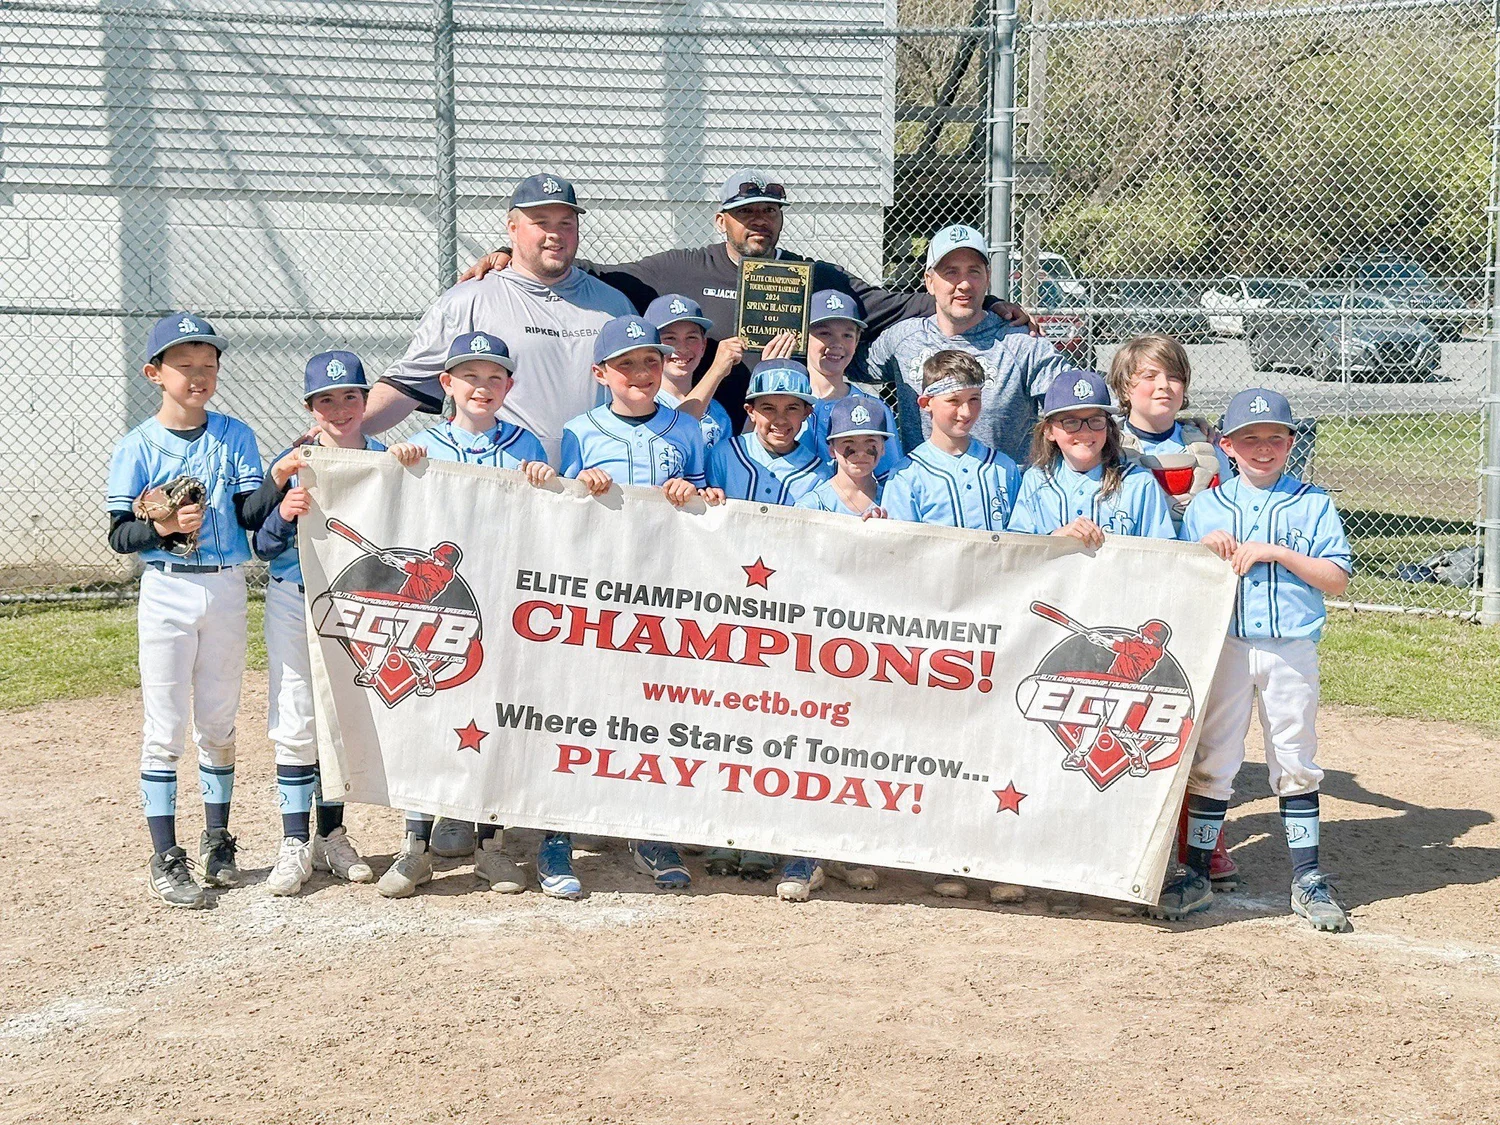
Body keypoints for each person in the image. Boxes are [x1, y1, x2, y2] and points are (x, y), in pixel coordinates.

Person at [458, 170, 1036, 414]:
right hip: (700, 416)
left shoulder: (815, 277)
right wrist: (511, 258)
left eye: (768, 213)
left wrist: (990, 305)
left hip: (781, 422)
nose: (758, 222)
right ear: (721, 221)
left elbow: (898, 301)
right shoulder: (680, 268)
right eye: (744, 214)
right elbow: (599, 275)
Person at [1162, 388, 1353, 931]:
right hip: (1225, 645)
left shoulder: (1312, 502)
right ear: (1226, 445)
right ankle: (1195, 871)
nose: (1263, 448)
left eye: (1275, 437)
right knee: (1215, 758)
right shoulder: (1206, 507)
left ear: (1292, 442)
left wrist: (1279, 553)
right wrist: (1201, 549)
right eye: (1249, 439)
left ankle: (1308, 876)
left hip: (1290, 646)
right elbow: (1180, 577)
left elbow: (1336, 579)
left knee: (1294, 758)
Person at [376, 332, 555, 899]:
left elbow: (546, 527)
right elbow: (390, 516)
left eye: (494, 377)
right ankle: (415, 846)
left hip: (498, 604)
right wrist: (396, 467)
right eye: (469, 377)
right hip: (435, 612)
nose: (482, 387)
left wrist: (545, 488)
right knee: (425, 714)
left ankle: (490, 845)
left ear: (509, 386)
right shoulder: (422, 445)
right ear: (446, 384)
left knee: (491, 719)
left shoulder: (526, 447)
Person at [105, 314, 272, 908]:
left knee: (221, 722)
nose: (199, 375)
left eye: (208, 364)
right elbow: (119, 537)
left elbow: (251, 516)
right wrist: (162, 524)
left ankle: (218, 841)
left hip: (226, 584)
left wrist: (279, 479)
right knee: (166, 727)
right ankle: (164, 854)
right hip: (167, 589)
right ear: (155, 373)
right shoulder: (137, 445)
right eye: (184, 365)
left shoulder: (236, 435)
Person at [560, 314, 725, 894]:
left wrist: (694, 494)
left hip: (663, 590)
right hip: (597, 591)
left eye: (650, 362)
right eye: (626, 365)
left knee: (654, 710)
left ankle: (649, 829)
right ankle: (559, 834)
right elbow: (558, 513)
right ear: (600, 372)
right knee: (579, 706)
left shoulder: (683, 428)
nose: (640, 373)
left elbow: (709, 500)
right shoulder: (580, 431)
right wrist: (583, 487)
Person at [363, 173, 635, 465]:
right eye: (541, 223)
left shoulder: (613, 305)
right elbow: (407, 383)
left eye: (566, 223)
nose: (555, 234)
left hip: (596, 481)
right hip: (511, 479)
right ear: (513, 229)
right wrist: (342, 431)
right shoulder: (469, 300)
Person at [248, 350, 383, 895]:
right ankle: (293, 842)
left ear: (366, 400)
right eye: (326, 399)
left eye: (350, 395)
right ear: (310, 407)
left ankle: (332, 833)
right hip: (294, 596)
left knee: (342, 713)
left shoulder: (384, 462)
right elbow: (262, 545)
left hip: (356, 604)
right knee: (298, 714)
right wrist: (283, 512)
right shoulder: (295, 461)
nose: (340, 407)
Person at [869, 223, 1070, 466]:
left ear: (988, 278)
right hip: (925, 493)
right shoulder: (902, 339)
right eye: (951, 272)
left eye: (973, 271)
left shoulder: (1022, 344)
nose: (964, 284)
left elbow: (1075, 402)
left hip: (1005, 493)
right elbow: (842, 362)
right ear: (929, 282)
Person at [1007, 370, 1176, 543]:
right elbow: (1019, 554)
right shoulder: (1035, 480)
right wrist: (1054, 540)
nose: (1085, 431)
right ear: (1049, 431)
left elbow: (1161, 555)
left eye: (1095, 420)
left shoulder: (1138, 483)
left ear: (1108, 426)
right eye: (1071, 422)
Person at [882, 349, 1022, 532]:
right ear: (926, 403)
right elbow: (900, 546)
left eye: (974, 399)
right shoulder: (907, 475)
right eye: (954, 400)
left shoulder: (1003, 467)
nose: (966, 412)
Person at [1107, 335, 1234, 526]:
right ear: (1125, 388)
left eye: (1173, 377)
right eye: (1149, 376)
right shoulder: (1108, 448)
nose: (1164, 385)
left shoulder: (1207, 445)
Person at [800, 289, 904, 479]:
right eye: (825, 333)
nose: (837, 343)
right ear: (803, 337)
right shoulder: (786, 402)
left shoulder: (874, 408)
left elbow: (891, 479)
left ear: (857, 341)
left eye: (847, 335)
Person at [642, 293, 739, 448]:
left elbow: (732, 463)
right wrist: (717, 370)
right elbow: (675, 431)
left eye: (691, 338)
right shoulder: (642, 402)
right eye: (670, 338)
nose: (682, 348)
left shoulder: (718, 413)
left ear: (703, 346)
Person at [794, 396, 899, 520]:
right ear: (832, 449)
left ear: (882, 448)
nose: (860, 452)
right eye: (849, 442)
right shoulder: (814, 505)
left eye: (870, 441)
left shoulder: (894, 502)